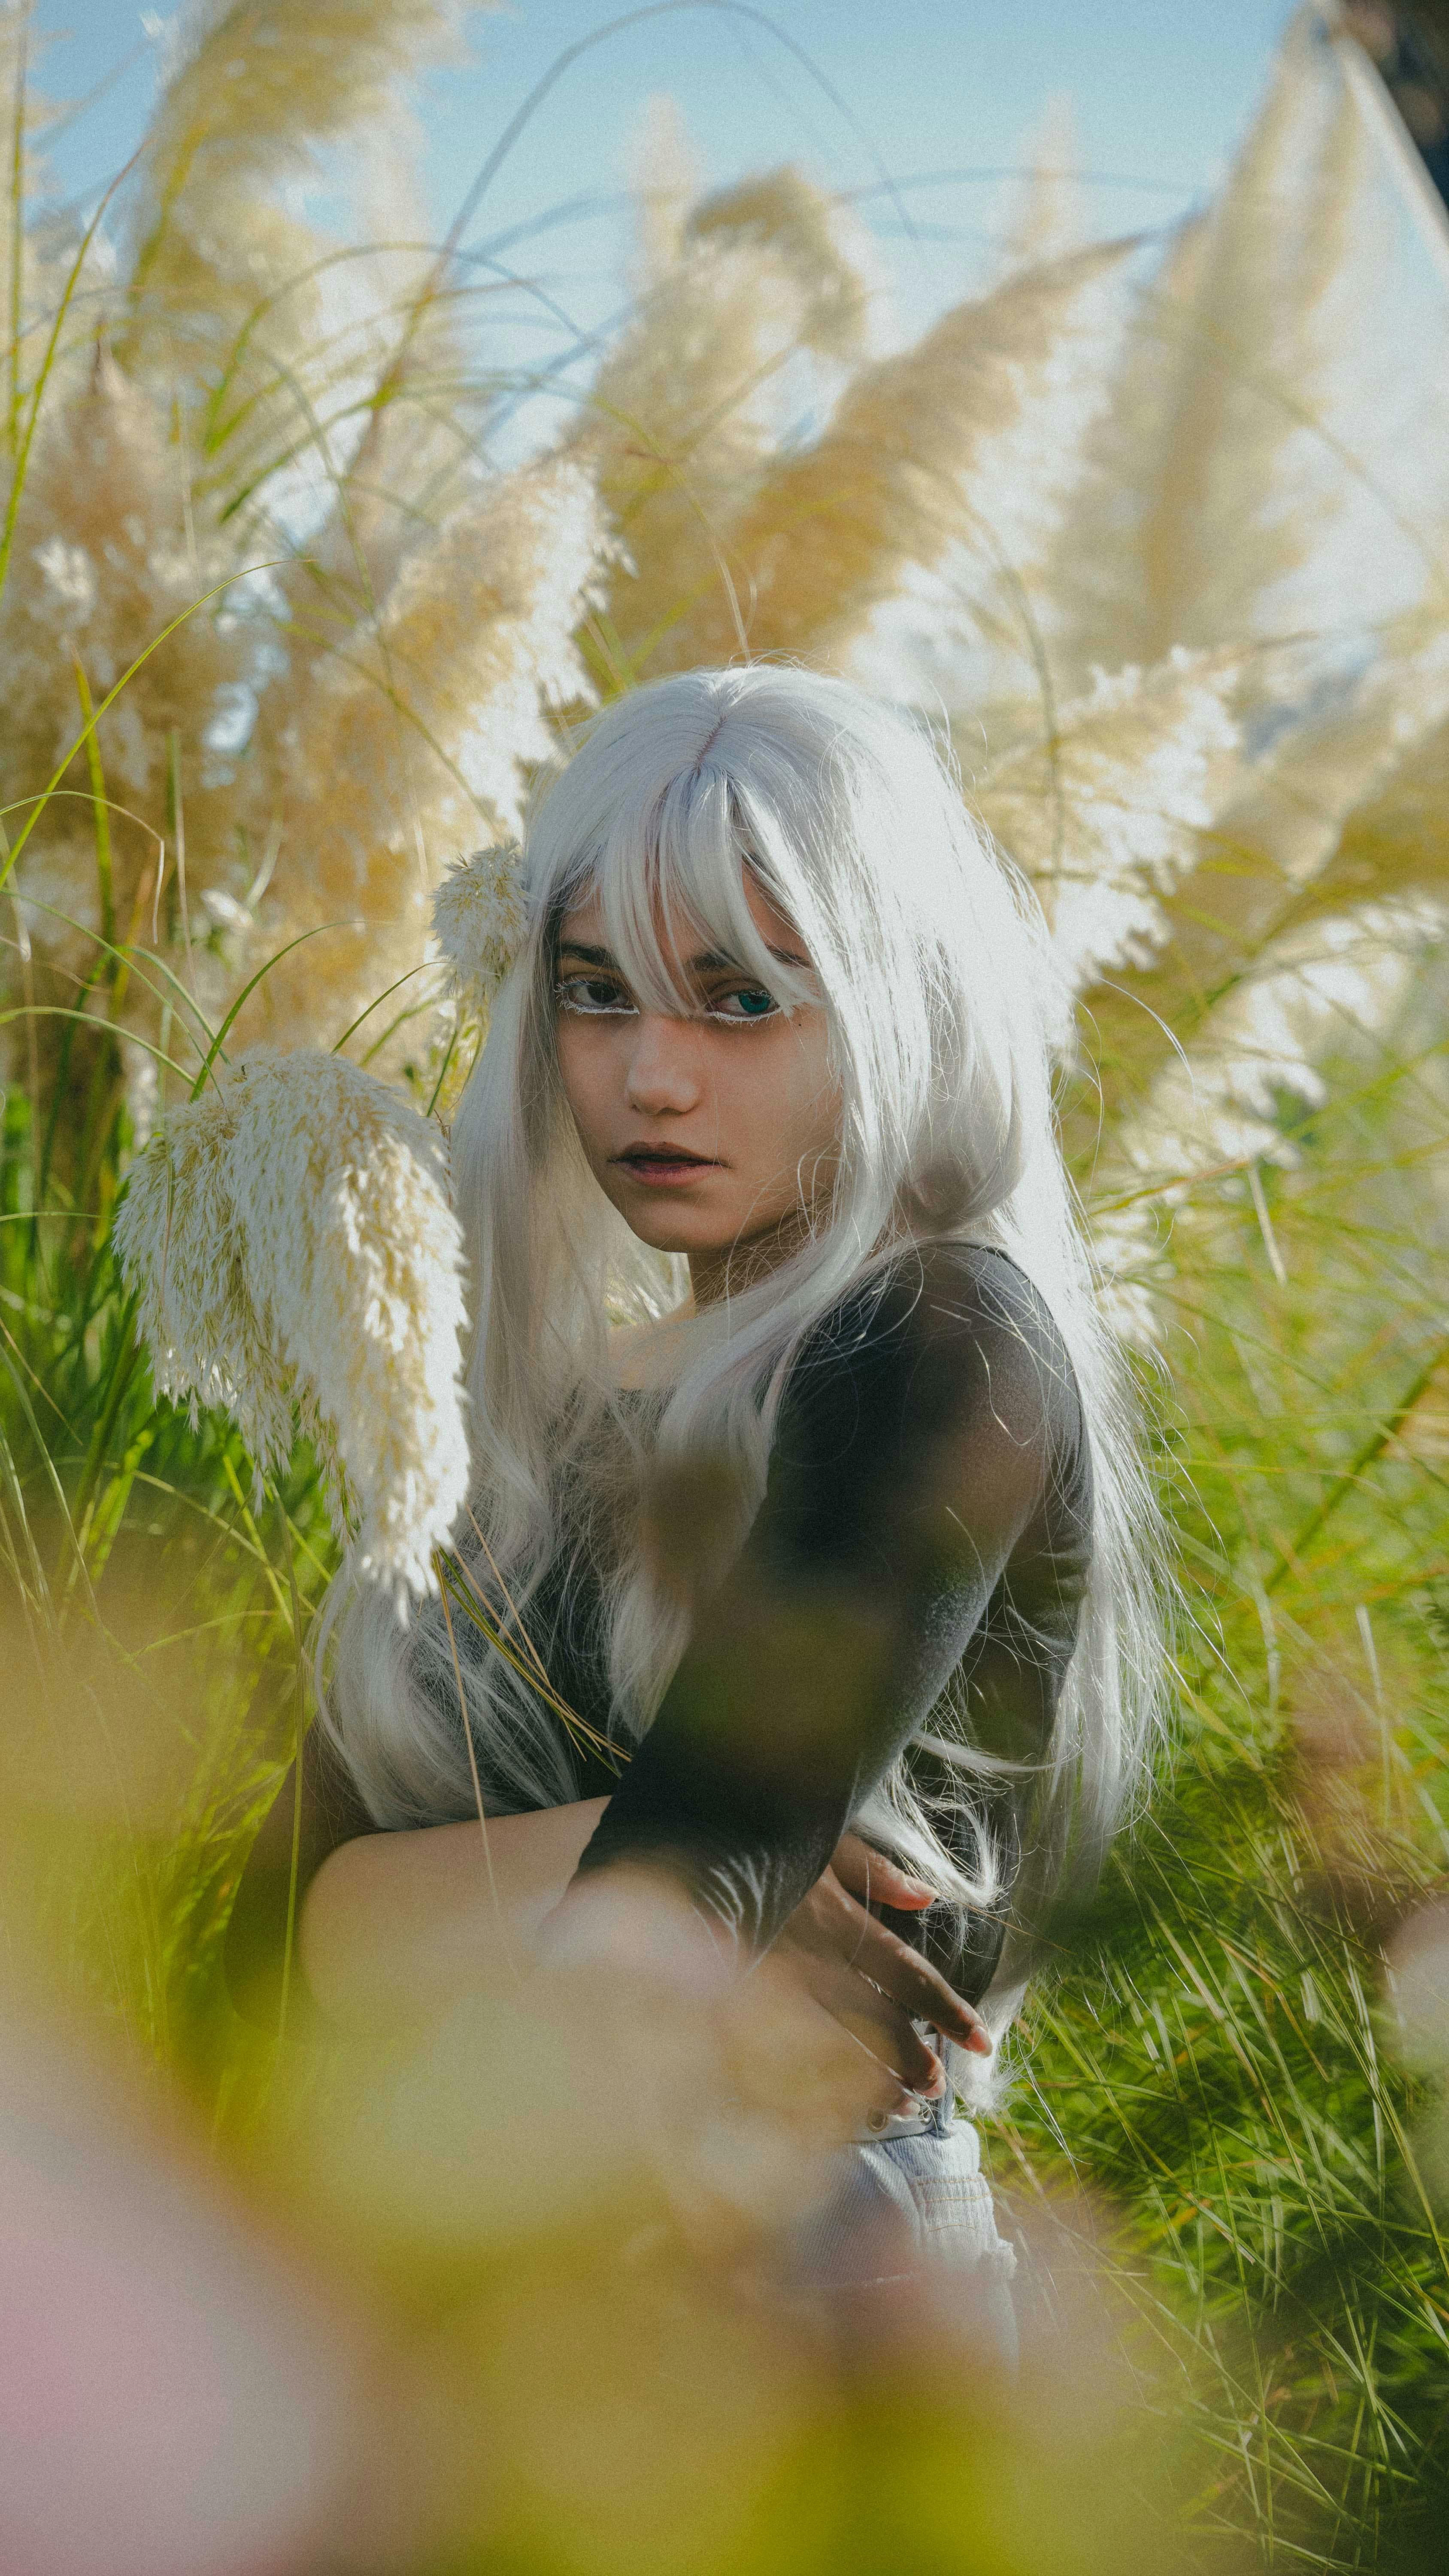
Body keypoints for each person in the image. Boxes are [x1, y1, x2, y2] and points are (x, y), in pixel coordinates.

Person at [228, 663, 1165, 2327]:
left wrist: (471, 1902)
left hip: (795, 2285)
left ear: (897, 995)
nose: (651, 1074)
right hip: (466, 2277)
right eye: (599, 992)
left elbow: (691, 1872)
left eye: (739, 1000)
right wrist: (609, 1854)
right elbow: (288, 1941)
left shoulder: (941, 1341)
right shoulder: (535, 1407)